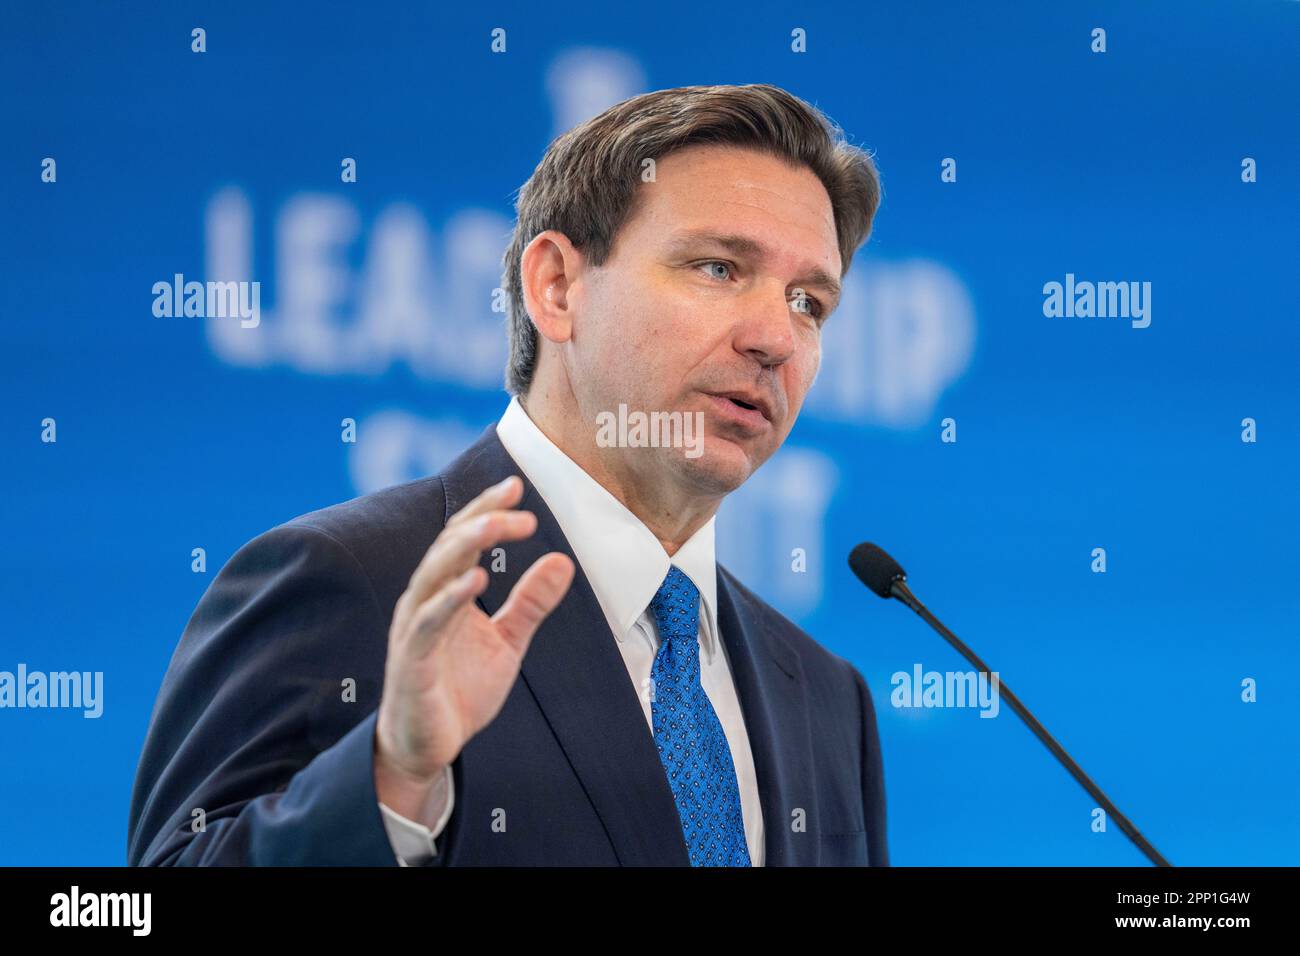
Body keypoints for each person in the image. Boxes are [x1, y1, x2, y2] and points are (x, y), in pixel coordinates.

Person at [127, 83, 888, 867]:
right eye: (719, 267)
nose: (776, 338)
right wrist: (392, 781)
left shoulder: (826, 699)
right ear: (557, 286)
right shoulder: (354, 580)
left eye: (809, 302)